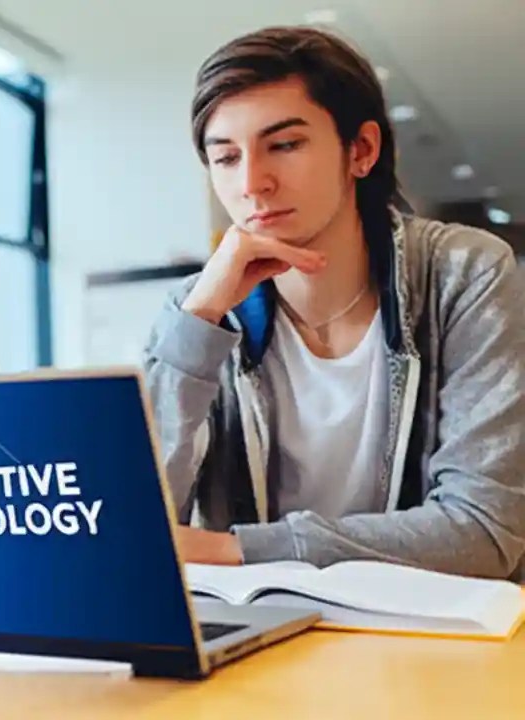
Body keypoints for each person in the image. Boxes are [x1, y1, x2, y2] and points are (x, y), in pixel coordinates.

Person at [144, 25, 525, 579]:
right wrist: (196, 328)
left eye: (285, 145)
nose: (252, 182)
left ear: (362, 150)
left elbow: (485, 532)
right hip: (266, 632)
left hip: (437, 641)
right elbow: (140, 523)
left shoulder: (461, 273)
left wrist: (238, 550)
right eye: (225, 158)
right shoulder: (196, 307)